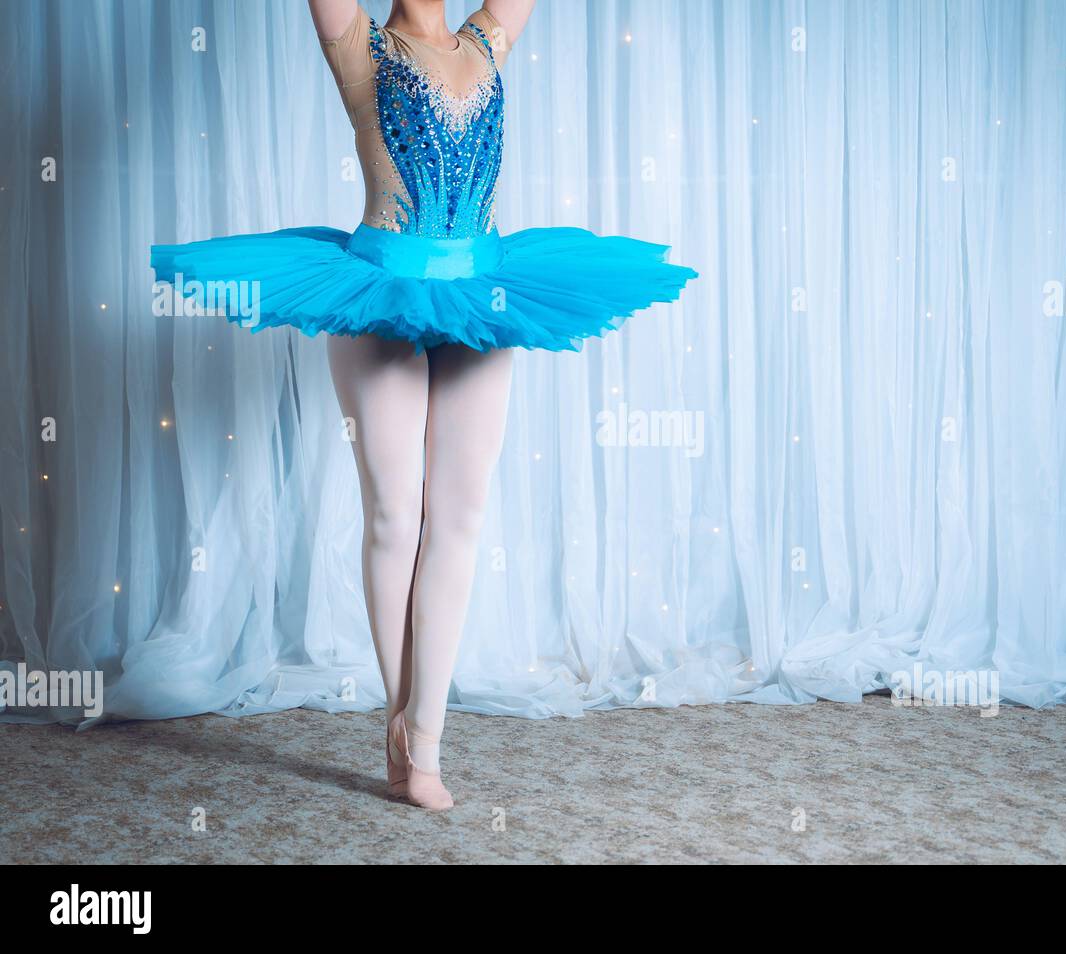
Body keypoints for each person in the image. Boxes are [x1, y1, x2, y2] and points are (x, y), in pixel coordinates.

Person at [151, 0, 697, 811]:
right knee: (393, 518)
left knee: (461, 515)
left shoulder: (486, 38)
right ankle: (403, 724)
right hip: (380, 291)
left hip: (485, 288)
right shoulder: (361, 48)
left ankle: (427, 735)